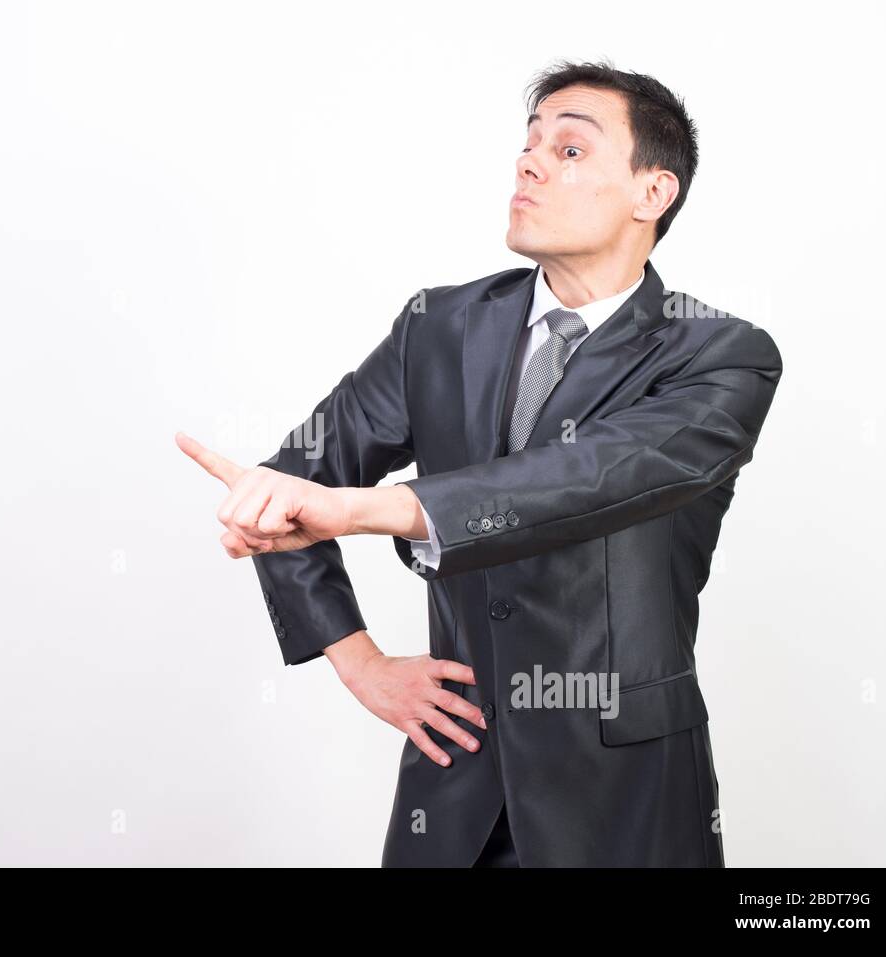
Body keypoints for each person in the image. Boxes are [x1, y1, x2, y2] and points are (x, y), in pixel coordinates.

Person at [178, 59, 781, 867]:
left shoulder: (719, 356)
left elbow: (588, 479)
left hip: (621, 796)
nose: (529, 162)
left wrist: (370, 508)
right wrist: (359, 663)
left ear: (652, 193)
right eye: (529, 143)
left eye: (570, 150)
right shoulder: (442, 325)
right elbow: (292, 485)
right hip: (454, 786)